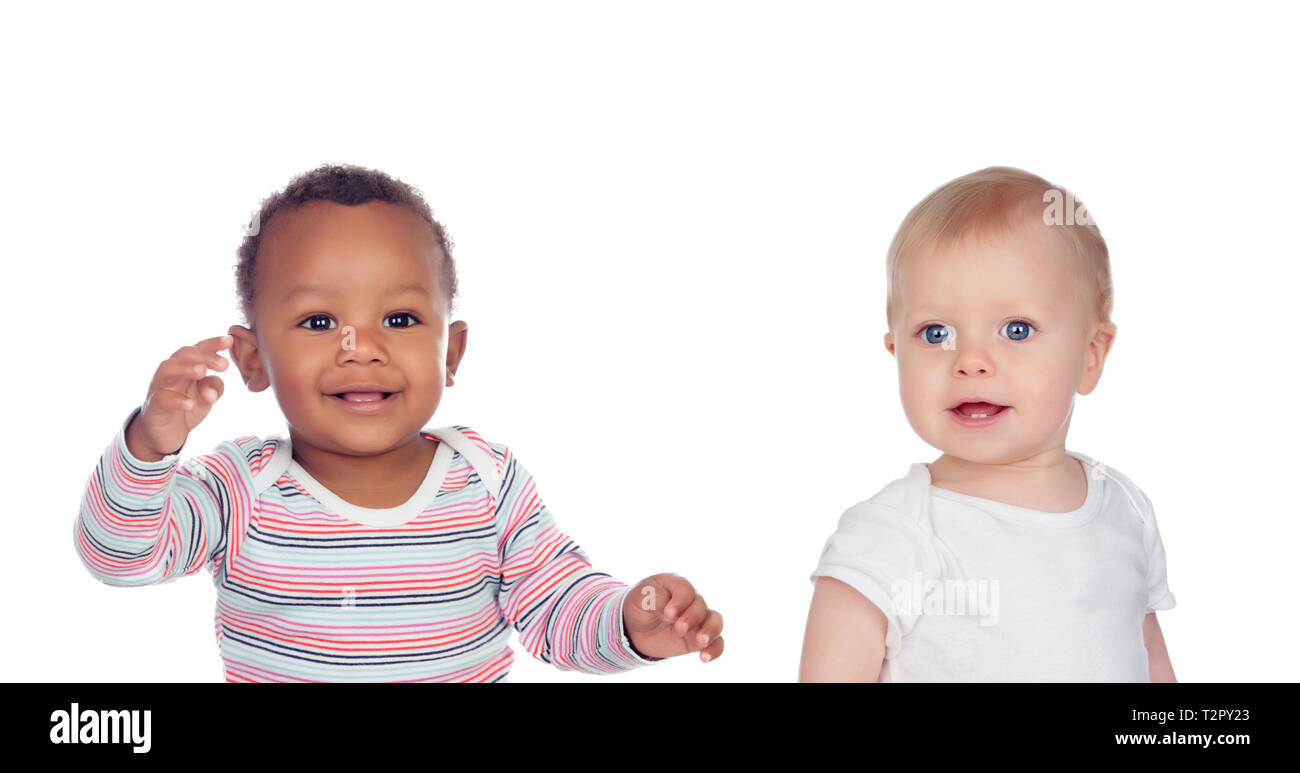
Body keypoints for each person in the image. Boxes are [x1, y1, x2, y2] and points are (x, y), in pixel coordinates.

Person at [75, 163, 723, 682]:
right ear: (252, 360)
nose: (361, 346)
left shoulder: (486, 483)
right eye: (320, 322)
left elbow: (557, 609)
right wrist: (151, 444)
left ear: (451, 353)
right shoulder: (239, 489)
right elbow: (117, 554)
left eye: (401, 319)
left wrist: (632, 623)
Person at [800, 166, 1175, 682]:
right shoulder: (893, 534)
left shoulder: (1123, 511)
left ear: (1090, 356)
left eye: (1016, 330)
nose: (970, 360)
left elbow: (1150, 662)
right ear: (895, 351)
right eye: (935, 334)